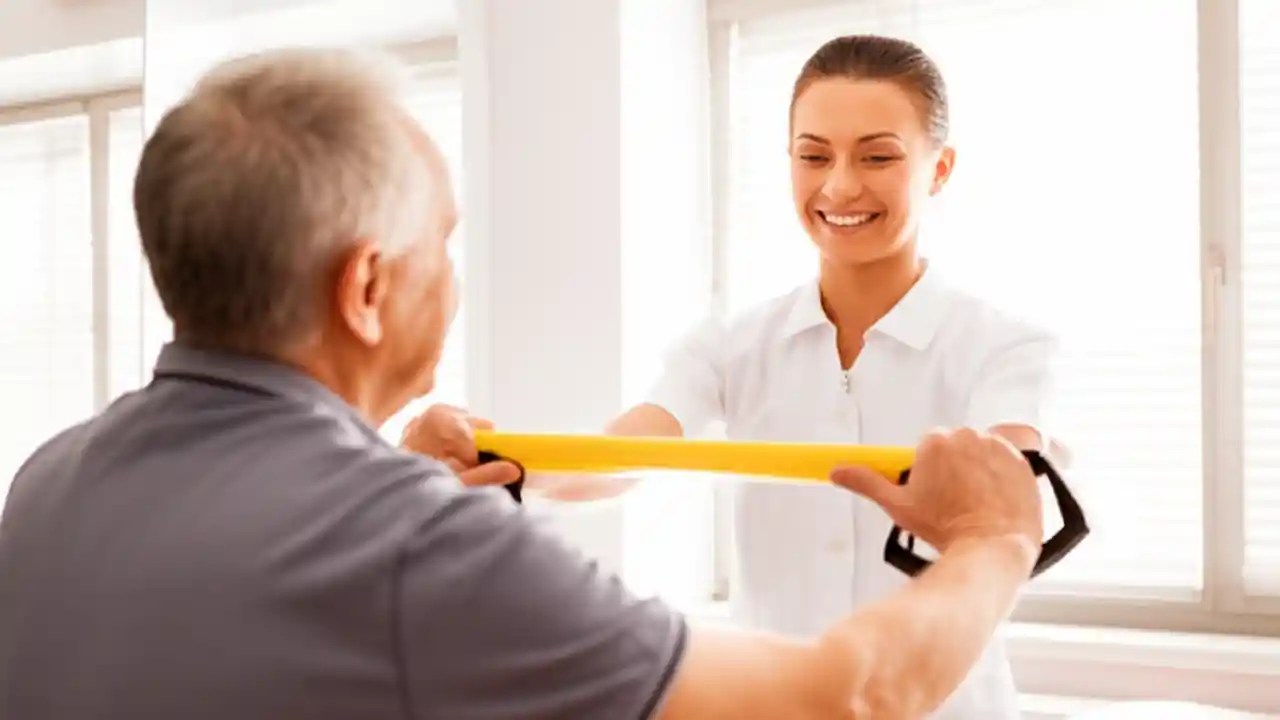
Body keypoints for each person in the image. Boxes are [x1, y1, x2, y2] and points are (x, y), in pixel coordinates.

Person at [0, 46, 1044, 720]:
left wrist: (387, 477)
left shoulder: (44, 483)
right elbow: (845, 697)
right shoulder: (416, 547)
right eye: (444, 246)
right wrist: (995, 538)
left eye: (875, 156)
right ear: (367, 286)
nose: (838, 186)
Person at [426, 34, 1063, 719]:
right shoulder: (733, 344)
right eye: (814, 155)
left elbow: (1009, 494)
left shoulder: (1002, 347)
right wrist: (500, 460)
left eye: (877, 156)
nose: (840, 185)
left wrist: (991, 504)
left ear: (939, 168)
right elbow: (622, 454)